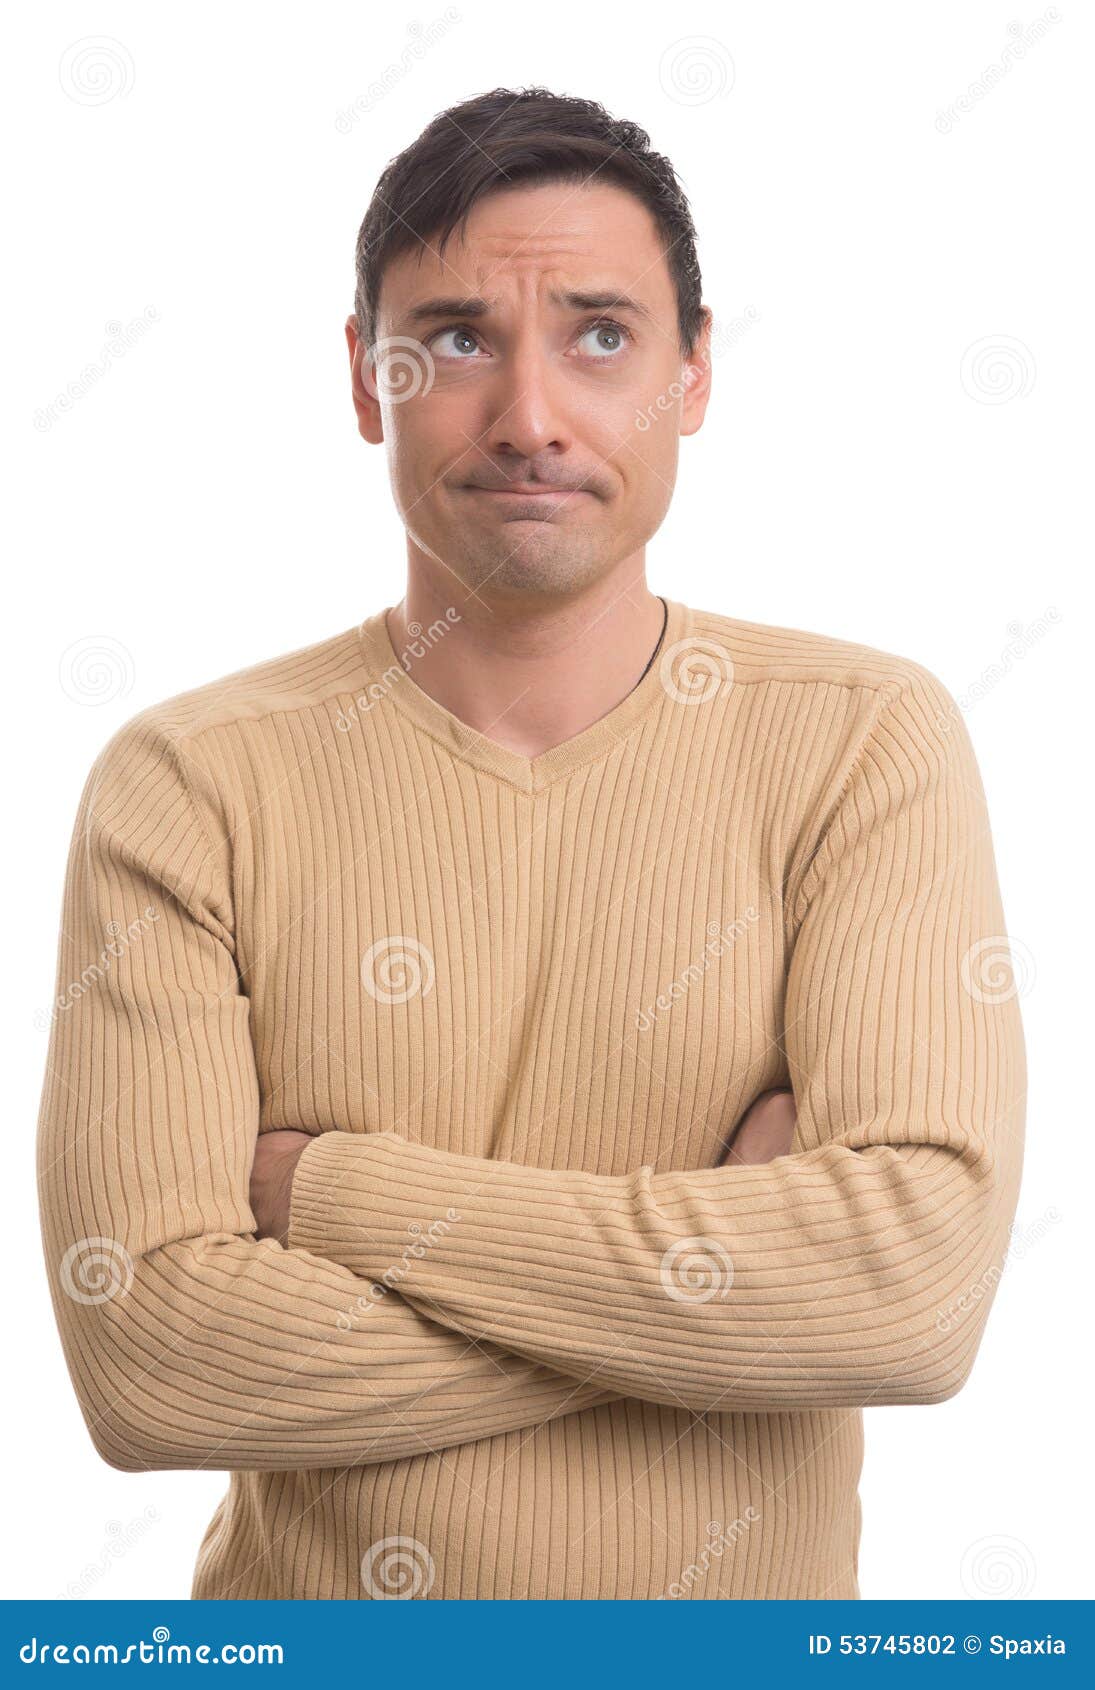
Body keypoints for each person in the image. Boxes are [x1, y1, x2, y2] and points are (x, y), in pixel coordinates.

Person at [36, 87, 1026, 1602]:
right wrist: (713, 1308)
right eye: (453, 341)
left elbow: (909, 1301)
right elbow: (153, 1368)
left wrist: (337, 1197)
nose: (531, 418)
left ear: (696, 374)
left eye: (601, 335)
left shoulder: (861, 742)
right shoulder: (189, 783)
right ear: (365, 380)